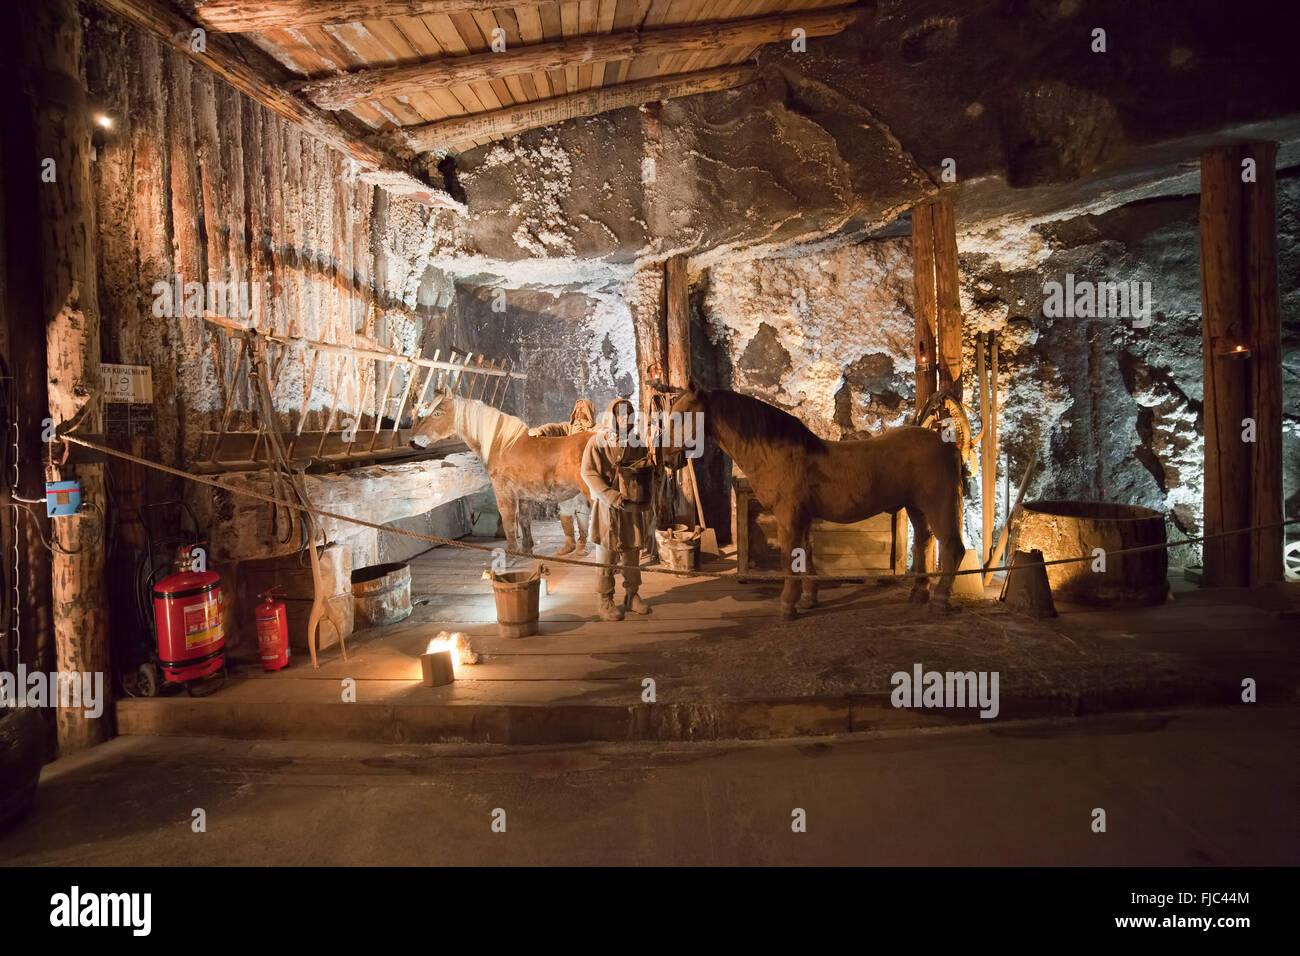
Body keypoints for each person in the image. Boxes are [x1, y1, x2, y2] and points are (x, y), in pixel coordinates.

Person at [581, 397, 654, 621]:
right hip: (608, 510)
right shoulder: (597, 442)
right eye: (620, 414)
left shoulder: (637, 443)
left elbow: (645, 471)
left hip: (631, 509)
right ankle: (605, 600)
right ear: (611, 417)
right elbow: (588, 472)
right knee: (606, 555)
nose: (624, 418)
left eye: (628, 414)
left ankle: (632, 595)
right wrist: (611, 495)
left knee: (632, 554)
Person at [529, 399, 596, 556]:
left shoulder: (594, 429)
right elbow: (554, 427)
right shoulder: (568, 428)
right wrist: (540, 431)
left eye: (583, 408)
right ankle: (569, 542)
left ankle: (582, 543)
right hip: (566, 479)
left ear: (590, 411)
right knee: (565, 508)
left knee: (582, 509)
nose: (579, 410)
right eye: (577, 407)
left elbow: (604, 433)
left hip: (584, 477)